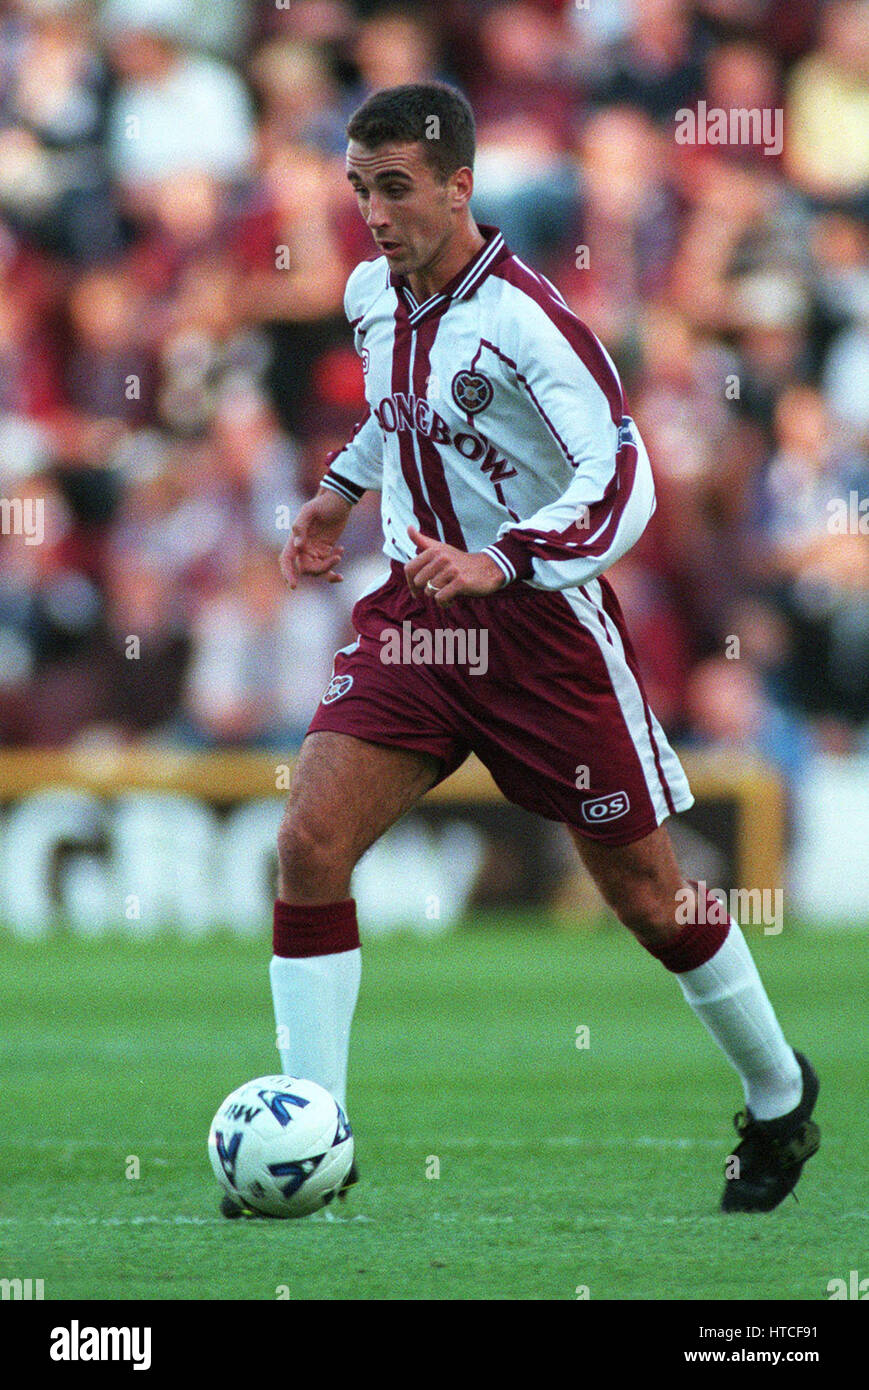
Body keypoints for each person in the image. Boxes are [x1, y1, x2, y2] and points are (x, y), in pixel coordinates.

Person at [223, 83, 819, 1218]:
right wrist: (337, 493)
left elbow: (624, 481)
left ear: (459, 186)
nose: (373, 214)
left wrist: (508, 559)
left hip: (542, 635)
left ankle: (780, 1096)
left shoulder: (530, 321)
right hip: (417, 618)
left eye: (394, 189)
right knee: (308, 843)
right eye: (359, 190)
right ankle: (314, 1135)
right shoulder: (370, 293)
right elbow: (398, 415)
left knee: (649, 898)